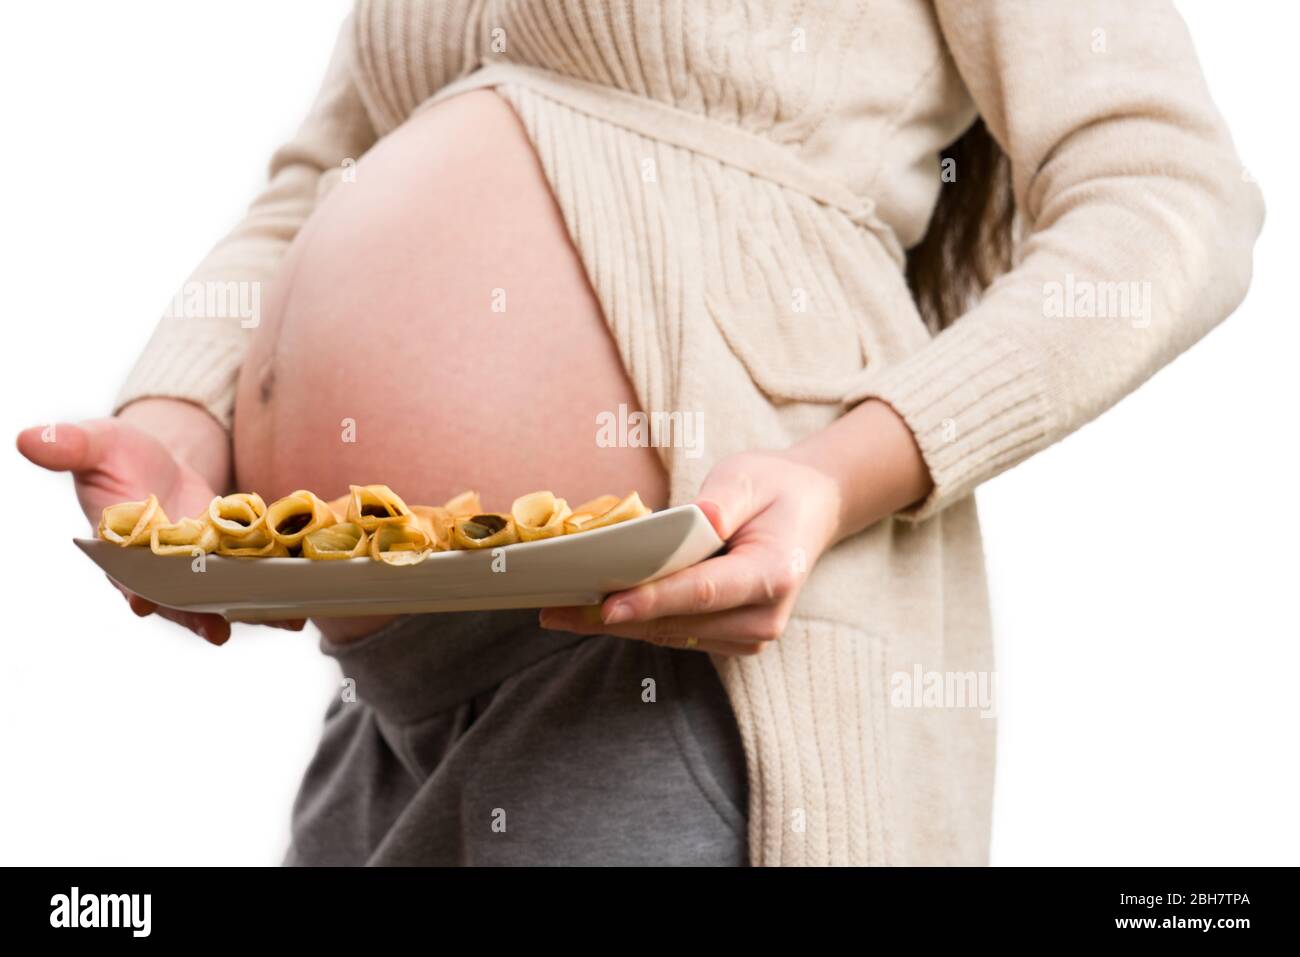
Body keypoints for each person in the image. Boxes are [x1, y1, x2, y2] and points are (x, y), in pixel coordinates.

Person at [17, 1, 1263, 865]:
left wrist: (844, 472)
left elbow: (1167, 193)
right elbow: (318, 174)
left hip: (686, 660)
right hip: (379, 688)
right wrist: (178, 420)